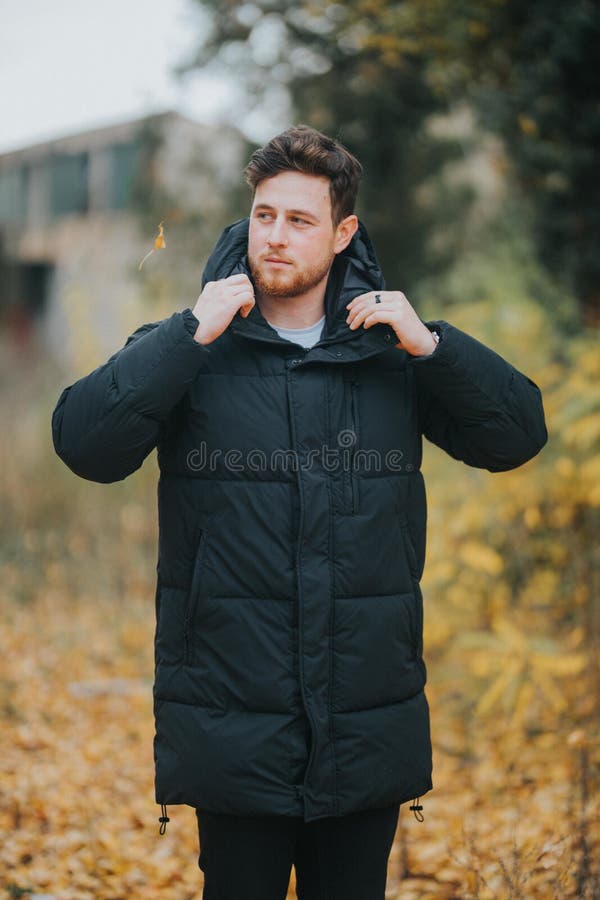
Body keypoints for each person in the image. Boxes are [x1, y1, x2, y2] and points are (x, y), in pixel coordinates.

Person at [52, 125, 547, 899]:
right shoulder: (192, 347)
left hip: (365, 722)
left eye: (300, 220)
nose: (275, 236)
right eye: (264, 215)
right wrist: (185, 337)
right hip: (229, 724)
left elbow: (516, 436)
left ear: (343, 233)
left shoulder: (391, 355)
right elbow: (85, 446)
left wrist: (433, 346)